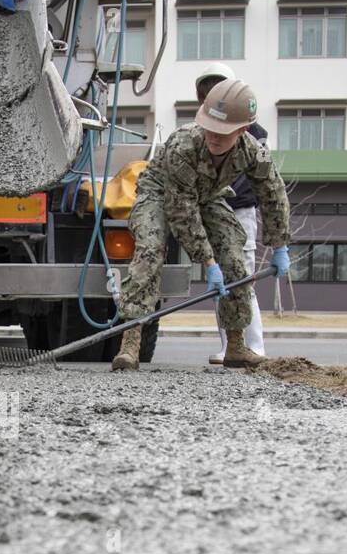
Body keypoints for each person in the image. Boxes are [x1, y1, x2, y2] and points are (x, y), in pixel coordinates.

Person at [111, 79, 290, 371]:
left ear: (242, 130)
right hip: (160, 192)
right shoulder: (184, 145)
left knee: (234, 256)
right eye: (210, 128)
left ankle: (235, 345)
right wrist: (207, 262)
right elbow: (181, 210)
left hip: (207, 195)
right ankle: (130, 344)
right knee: (150, 250)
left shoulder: (252, 151)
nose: (214, 137)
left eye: (223, 132)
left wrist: (280, 245)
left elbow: (273, 193)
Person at [191, 62, 268, 363]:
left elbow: (263, 177)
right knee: (220, 280)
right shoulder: (200, 131)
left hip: (241, 209)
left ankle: (255, 345)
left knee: (242, 277)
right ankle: (230, 346)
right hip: (212, 211)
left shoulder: (254, 132)